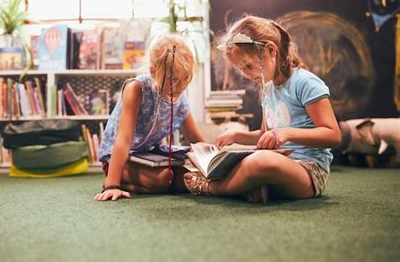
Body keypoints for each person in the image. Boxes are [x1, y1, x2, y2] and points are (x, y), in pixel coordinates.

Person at [184, 15, 341, 203]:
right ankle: (254, 188)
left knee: (261, 162)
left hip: (308, 170)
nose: (246, 74)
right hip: (277, 162)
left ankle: (212, 188)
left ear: (271, 50)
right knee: (216, 155)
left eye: (248, 66)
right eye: (241, 69)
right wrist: (237, 137)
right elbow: (265, 135)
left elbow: (333, 135)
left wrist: (286, 134)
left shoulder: (305, 82)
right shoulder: (267, 88)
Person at [94, 34, 205, 201]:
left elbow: (196, 141)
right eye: (173, 79)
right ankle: (109, 179)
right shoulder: (136, 88)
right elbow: (124, 139)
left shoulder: (180, 97)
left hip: (148, 157)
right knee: (161, 180)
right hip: (117, 159)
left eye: (186, 78)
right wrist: (112, 185)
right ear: (154, 72)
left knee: (188, 178)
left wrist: (214, 166)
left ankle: (162, 184)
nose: (181, 86)